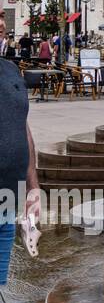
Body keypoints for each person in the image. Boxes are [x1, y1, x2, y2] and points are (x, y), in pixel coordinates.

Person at [0, 53, 41, 288]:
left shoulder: (10, 69)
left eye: (3, 15)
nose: (2, 23)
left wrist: (33, 186)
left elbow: (22, 126)